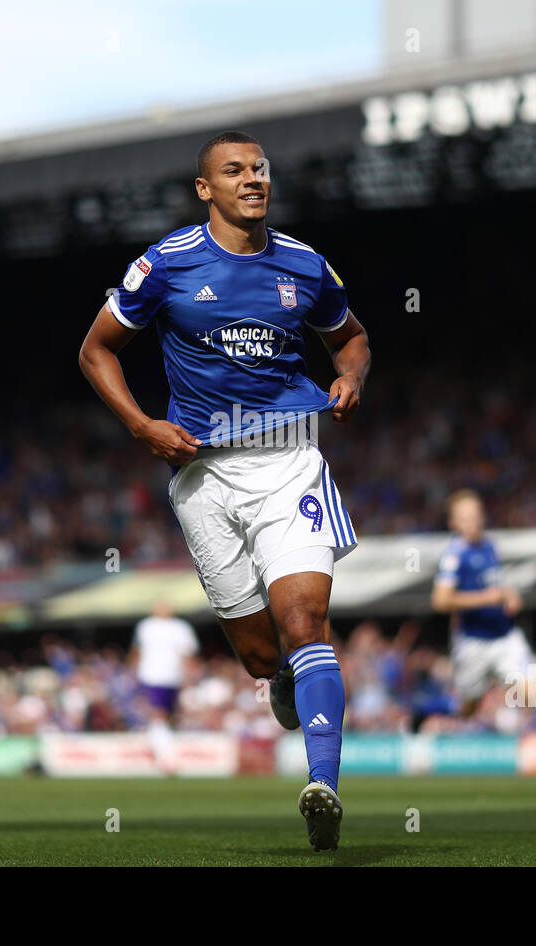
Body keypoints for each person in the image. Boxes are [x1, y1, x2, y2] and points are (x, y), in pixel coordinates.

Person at [79, 130, 372, 850]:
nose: (253, 179)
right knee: (261, 655)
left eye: (261, 169)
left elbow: (353, 338)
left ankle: (323, 787)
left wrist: (350, 377)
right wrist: (143, 425)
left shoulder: (305, 265)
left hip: (288, 460)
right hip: (204, 478)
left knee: (306, 623)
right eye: (234, 171)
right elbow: (95, 349)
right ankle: (280, 681)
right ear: (205, 189)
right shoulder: (167, 265)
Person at [431, 489, 536, 782]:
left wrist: (507, 596)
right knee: (467, 710)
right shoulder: (454, 555)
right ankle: (426, 710)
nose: (474, 521)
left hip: (506, 638)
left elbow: (496, 588)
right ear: (454, 523)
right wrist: (488, 597)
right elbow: (441, 601)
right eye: (466, 517)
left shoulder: (490, 547)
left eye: (477, 514)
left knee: (535, 695)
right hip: (473, 643)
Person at [129, 601, 199, 775]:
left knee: (164, 718)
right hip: (151, 676)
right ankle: (167, 759)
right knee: (157, 716)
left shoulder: (180, 627)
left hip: (172, 677)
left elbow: (188, 655)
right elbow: (137, 652)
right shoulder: (146, 626)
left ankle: (164, 754)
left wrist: (189, 679)